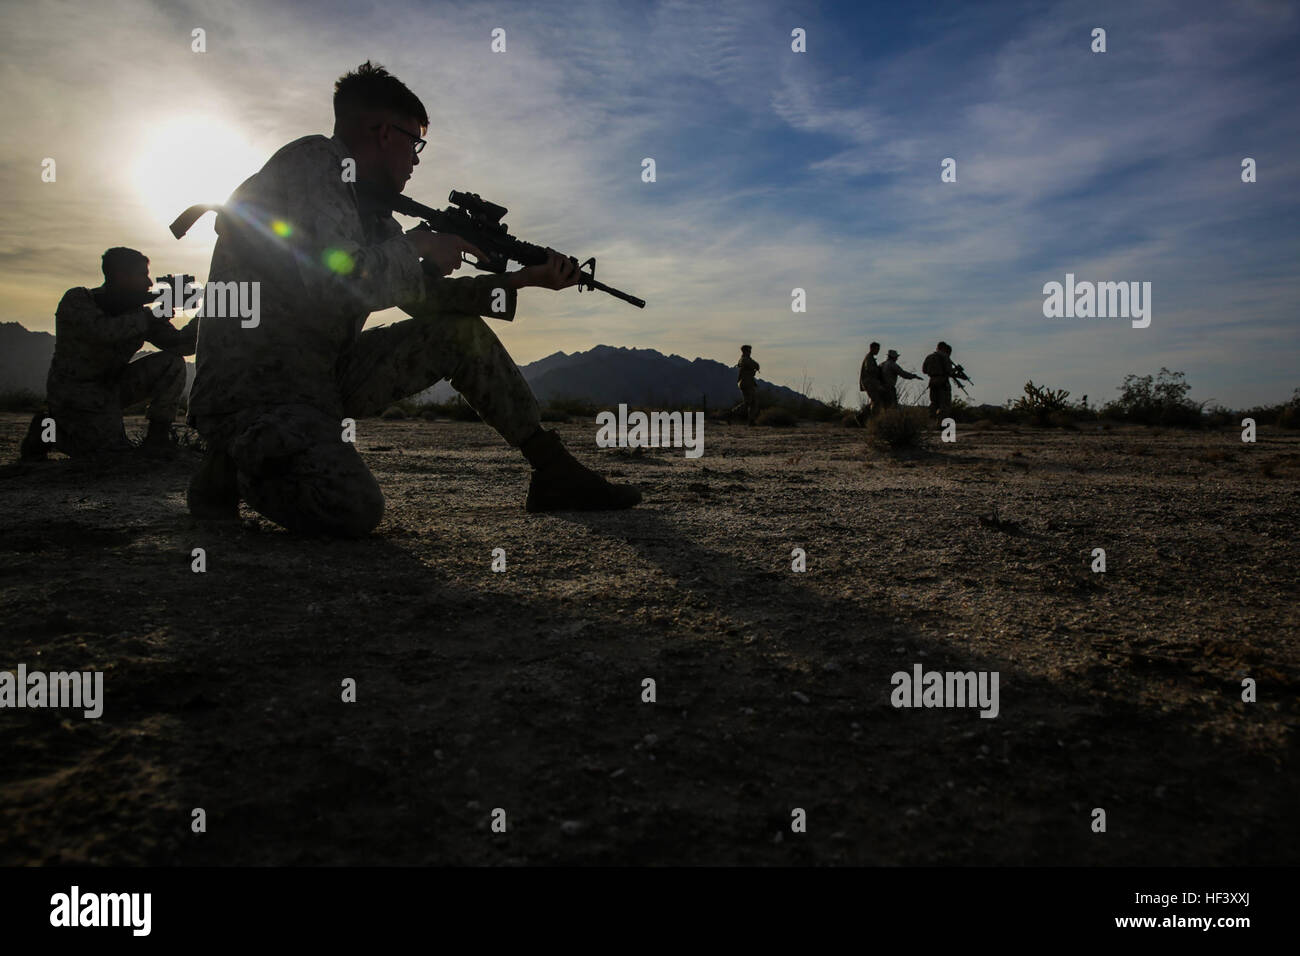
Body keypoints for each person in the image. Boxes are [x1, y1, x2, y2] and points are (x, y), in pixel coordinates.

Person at [185, 62, 640, 534]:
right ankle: (228, 466)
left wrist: (526, 279)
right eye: (414, 141)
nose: (417, 159)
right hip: (253, 391)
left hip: (318, 380)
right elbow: (335, 281)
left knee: (457, 334)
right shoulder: (315, 160)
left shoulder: (376, 218)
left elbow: (429, 302)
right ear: (381, 131)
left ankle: (554, 469)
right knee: (350, 507)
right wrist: (420, 246)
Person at [19, 247, 194, 460]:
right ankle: (47, 430)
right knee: (106, 455)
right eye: (143, 275)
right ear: (121, 276)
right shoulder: (78, 299)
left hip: (111, 387)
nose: (149, 283)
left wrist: (208, 318)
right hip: (75, 394)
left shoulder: (139, 313)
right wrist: (152, 316)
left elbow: (180, 345)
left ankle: (157, 439)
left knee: (172, 363)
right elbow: (104, 332)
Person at [921, 341, 967, 419]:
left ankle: (929, 421)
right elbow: (949, 371)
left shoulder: (929, 357)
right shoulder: (945, 357)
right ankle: (941, 423)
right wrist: (956, 370)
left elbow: (924, 370)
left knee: (934, 403)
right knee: (944, 404)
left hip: (932, 382)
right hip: (943, 383)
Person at [727, 344, 760, 425]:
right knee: (748, 402)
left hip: (749, 383)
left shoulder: (747, 359)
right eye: (748, 350)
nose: (750, 352)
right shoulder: (744, 360)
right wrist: (754, 366)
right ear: (744, 351)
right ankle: (731, 414)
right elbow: (755, 365)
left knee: (753, 403)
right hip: (745, 383)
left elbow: (756, 365)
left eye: (750, 350)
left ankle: (751, 421)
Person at [858, 341, 884, 420]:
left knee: (875, 401)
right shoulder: (869, 358)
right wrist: (878, 369)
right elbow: (870, 369)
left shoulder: (870, 358)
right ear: (872, 348)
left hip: (871, 383)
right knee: (876, 401)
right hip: (869, 383)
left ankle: (861, 416)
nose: (878, 351)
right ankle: (872, 418)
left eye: (878, 349)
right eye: (877, 349)